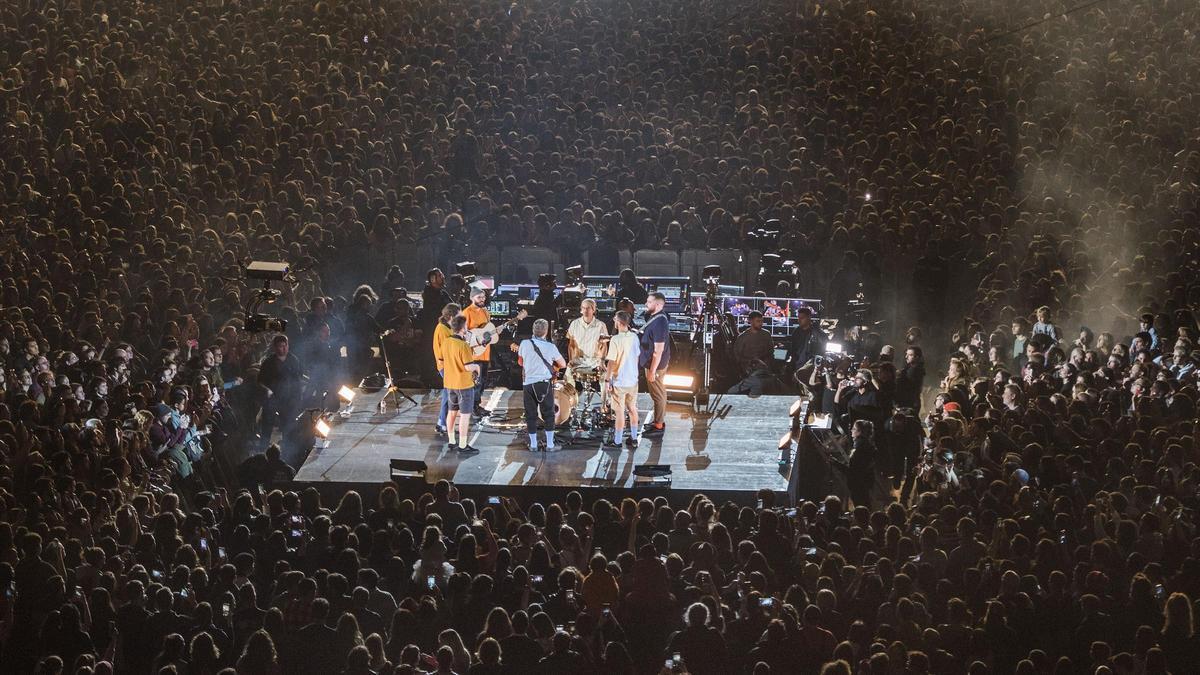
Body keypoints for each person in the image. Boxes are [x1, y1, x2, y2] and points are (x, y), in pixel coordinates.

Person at [517, 319, 567, 451]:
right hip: (544, 384)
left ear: (533, 331)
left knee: (530, 414)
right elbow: (563, 364)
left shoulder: (524, 343)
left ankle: (533, 445)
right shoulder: (551, 347)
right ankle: (550, 445)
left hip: (528, 384)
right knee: (549, 414)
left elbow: (520, 362)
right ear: (546, 332)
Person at [257, 334, 304, 451]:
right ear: (275, 347)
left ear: (288, 346)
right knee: (267, 425)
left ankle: (288, 450)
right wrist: (267, 390)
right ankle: (263, 450)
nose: (282, 349)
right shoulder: (268, 363)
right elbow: (260, 381)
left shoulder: (293, 360)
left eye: (284, 346)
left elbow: (298, 380)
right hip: (272, 399)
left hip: (289, 400)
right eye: (279, 346)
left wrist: (297, 399)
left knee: (288, 426)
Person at [442, 315, 481, 453]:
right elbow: (468, 367)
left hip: (449, 383)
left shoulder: (446, 342)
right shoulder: (463, 345)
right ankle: (463, 445)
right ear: (463, 328)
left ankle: (452, 441)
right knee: (465, 415)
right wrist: (477, 368)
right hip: (463, 385)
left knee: (452, 412)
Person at [606, 310, 642, 449]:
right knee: (632, 408)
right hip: (633, 380)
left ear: (620, 323)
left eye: (615, 320)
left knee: (620, 412)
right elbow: (637, 357)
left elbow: (611, 362)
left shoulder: (615, 339)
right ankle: (633, 438)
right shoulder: (634, 337)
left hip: (620, 381)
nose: (614, 322)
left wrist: (607, 379)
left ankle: (618, 441)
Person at [639, 292, 671, 436]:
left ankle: (658, 425)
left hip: (655, 365)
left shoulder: (659, 322)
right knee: (658, 393)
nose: (646, 304)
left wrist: (652, 370)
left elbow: (658, 350)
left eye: (649, 302)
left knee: (658, 395)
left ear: (658, 304)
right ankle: (658, 421)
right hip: (652, 363)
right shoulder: (655, 318)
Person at [432, 303, 462, 436]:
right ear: (450, 316)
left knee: (448, 394)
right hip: (447, 366)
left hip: (449, 366)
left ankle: (442, 423)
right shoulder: (443, 330)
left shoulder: (446, 328)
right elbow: (448, 350)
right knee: (450, 395)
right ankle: (443, 423)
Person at [463, 288, 494, 418]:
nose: (482, 299)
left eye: (483, 297)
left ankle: (477, 405)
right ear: (472, 298)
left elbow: (488, 330)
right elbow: (465, 334)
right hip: (474, 354)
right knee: (476, 381)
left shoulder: (486, 312)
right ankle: (473, 407)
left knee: (483, 381)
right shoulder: (466, 313)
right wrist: (477, 339)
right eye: (479, 297)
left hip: (485, 353)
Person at [566, 298, 609, 370]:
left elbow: (604, 346)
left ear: (593, 309)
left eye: (588, 308)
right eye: (583, 308)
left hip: (595, 363)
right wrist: (571, 360)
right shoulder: (574, 324)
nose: (585, 310)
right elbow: (571, 345)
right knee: (568, 379)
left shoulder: (601, 325)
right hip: (577, 361)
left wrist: (602, 362)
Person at [786, 307, 827, 380]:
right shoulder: (796, 332)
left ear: (809, 318)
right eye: (798, 318)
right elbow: (793, 349)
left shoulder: (818, 333)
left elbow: (822, 350)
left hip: (811, 366)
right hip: (797, 365)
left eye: (802, 318)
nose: (799, 320)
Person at [847, 419, 877, 509]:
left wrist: (835, 463)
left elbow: (852, 471)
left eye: (854, 429)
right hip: (865, 483)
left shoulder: (860, 449)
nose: (851, 431)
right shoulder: (867, 445)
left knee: (861, 507)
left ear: (859, 432)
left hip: (859, 484)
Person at [733, 310, 773, 376]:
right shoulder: (743, 337)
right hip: (749, 369)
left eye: (762, 321)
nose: (761, 323)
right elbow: (737, 356)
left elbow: (771, 351)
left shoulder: (766, 334)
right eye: (758, 321)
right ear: (750, 321)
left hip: (765, 368)